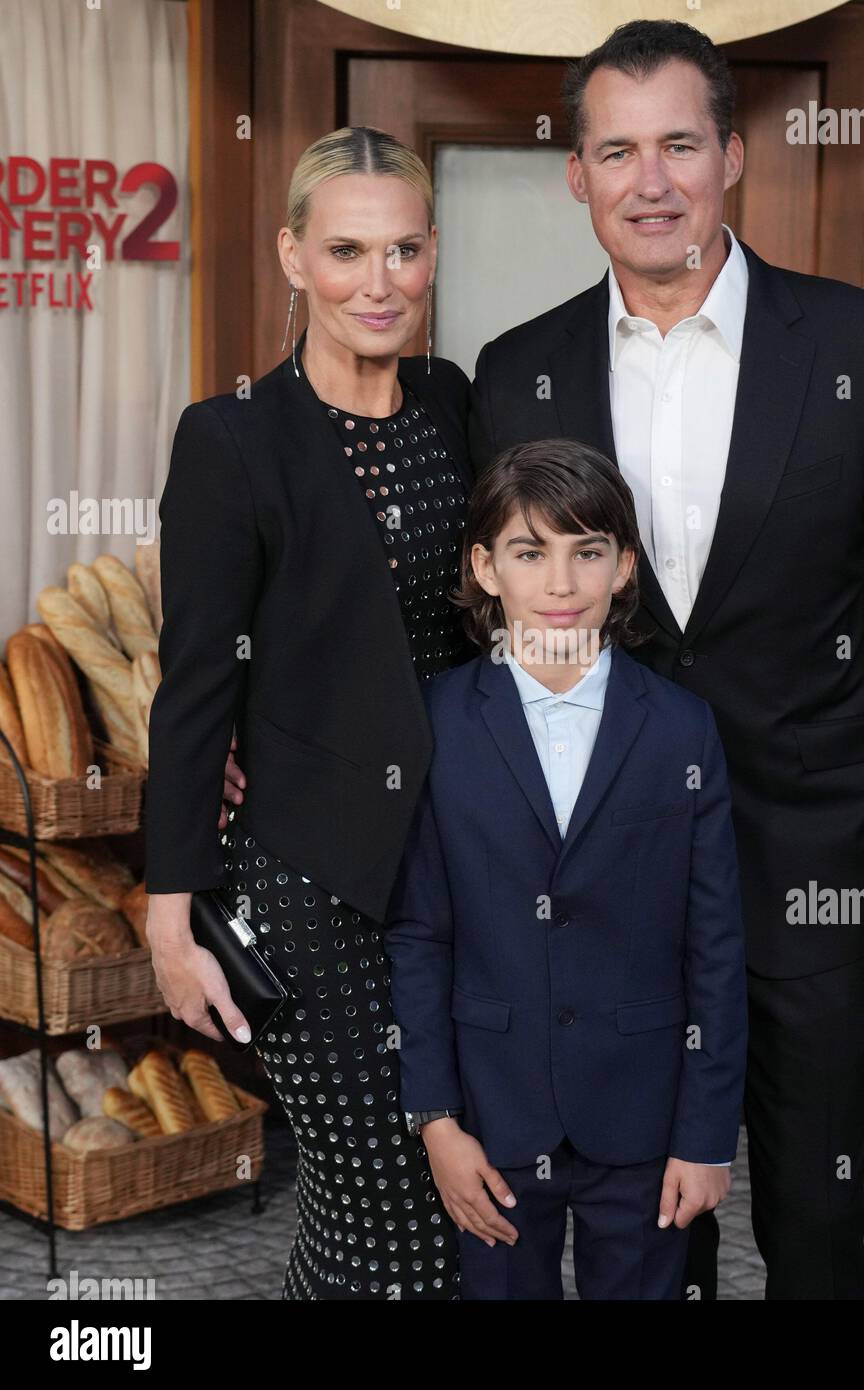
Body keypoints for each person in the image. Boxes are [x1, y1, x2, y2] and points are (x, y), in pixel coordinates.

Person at [467, 20, 864, 1299]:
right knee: (654, 1230)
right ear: (577, 176)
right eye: (617, 150)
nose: (651, 182)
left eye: (680, 145)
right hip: (606, 877)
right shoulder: (515, 371)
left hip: (814, 868)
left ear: (733, 157)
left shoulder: (858, 347)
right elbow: (476, 625)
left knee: (814, 1223)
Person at [143, 126, 476, 1300]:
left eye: (401, 251)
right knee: (375, 1207)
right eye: (345, 250)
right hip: (308, 879)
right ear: (292, 257)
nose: (376, 283)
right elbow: (195, 683)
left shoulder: (452, 405)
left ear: (432, 253)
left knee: (448, 1207)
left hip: (456, 867)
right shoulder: (231, 437)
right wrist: (171, 910)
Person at [383, 438, 748, 1300]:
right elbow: (419, 933)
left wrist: (705, 1137)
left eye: (587, 553)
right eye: (528, 552)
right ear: (483, 567)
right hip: (493, 1117)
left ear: (624, 567)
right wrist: (436, 1123)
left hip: (646, 1117)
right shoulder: (433, 724)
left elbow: (715, 945)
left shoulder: (681, 727)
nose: (559, 585)